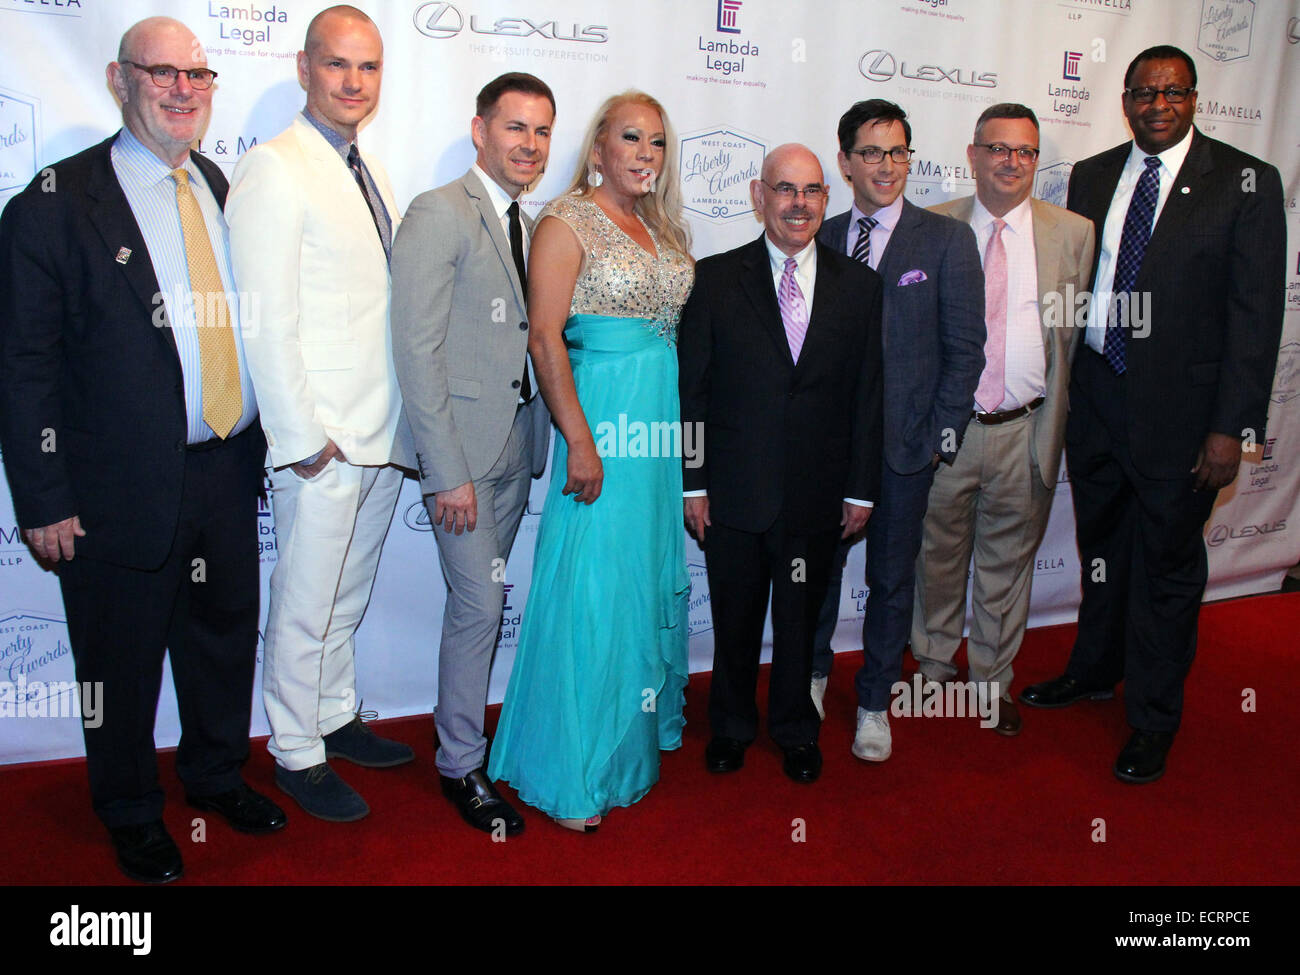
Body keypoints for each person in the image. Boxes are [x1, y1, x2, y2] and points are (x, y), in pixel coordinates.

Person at [0, 16, 284, 884]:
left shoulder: (223, 187)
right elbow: (23, 363)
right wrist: (43, 497)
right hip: (114, 484)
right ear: (120, 81)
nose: (181, 90)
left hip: (227, 471)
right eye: (160, 74)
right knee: (117, 662)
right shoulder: (51, 204)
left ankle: (212, 775)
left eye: (195, 76)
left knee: (223, 641)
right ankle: (129, 810)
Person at [1022, 46, 1285, 782]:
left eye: (1172, 92)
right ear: (1126, 100)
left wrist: (1232, 427)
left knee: (1168, 566)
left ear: (1195, 99)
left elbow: (1255, 317)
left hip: (1187, 418)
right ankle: (1094, 670)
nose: (1157, 105)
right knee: (1103, 548)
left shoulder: (1246, 182)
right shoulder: (1095, 174)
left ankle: (1153, 718)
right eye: (1143, 92)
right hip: (1099, 398)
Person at [487, 91, 695, 831]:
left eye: (658, 141)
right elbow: (545, 338)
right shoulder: (566, 220)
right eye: (629, 137)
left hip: (656, 431)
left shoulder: (662, 227)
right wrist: (579, 439)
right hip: (602, 423)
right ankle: (573, 768)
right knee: (592, 590)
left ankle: (627, 747)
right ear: (599, 146)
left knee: (636, 584)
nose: (645, 152)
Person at [226, 5, 410, 821]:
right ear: (305, 69)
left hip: (380, 428)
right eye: (337, 65)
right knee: (304, 601)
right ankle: (295, 750)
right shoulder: (274, 166)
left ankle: (334, 714)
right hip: (324, 437)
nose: (352, 82)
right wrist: (302, 438)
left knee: (346, 594)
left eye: (367, 67)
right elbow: (263, 315)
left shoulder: (374, 169)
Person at [679, 143, 884, 784]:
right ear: (757, 196)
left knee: (801, 625)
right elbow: (694, 393)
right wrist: (695, 482)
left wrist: (862, 489)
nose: (799, 204)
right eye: (785, 189)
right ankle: (733, 728)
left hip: (817, 497)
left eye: (812, 191)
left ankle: (797, 729)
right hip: (735, 494)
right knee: (735, 620)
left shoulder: (862, 287)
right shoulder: (712, 279)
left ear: (828, 198)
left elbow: (871, 394)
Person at [389, 72, 555, 837]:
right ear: (480, 130)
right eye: (515, 127)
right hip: (460, 456)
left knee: (479, 606)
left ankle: (462, 739)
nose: (529, 144)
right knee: (481, 606)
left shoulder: (536, 221)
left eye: (542, 131)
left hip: (518, 445)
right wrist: (443, 468)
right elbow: (416, 351)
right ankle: (461, 762)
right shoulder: (438, 213)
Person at [912, 104, 1096, 736]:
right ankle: (933, 667)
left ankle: (992, 684)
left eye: (1024, 151)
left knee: (1007, 565)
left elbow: (1072, 342)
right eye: (998, 148)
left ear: (1036, 160)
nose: (1011, 161)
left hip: (1028, 429)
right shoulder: (933, 227)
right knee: (936, 556)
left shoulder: (1073, 233)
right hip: (949, 431)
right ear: (972, 155)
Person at [812, 100, 985, 761]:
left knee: (890, 579)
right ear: (845, 161)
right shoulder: (818, 236)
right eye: (872, 153)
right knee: (819, 571)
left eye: (898, 152)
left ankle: (876, 700)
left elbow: (966, 347)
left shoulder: (945, 240)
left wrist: (939, 438)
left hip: (905, 451)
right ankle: (813, 673)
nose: (887, 166)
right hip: (828, 449)